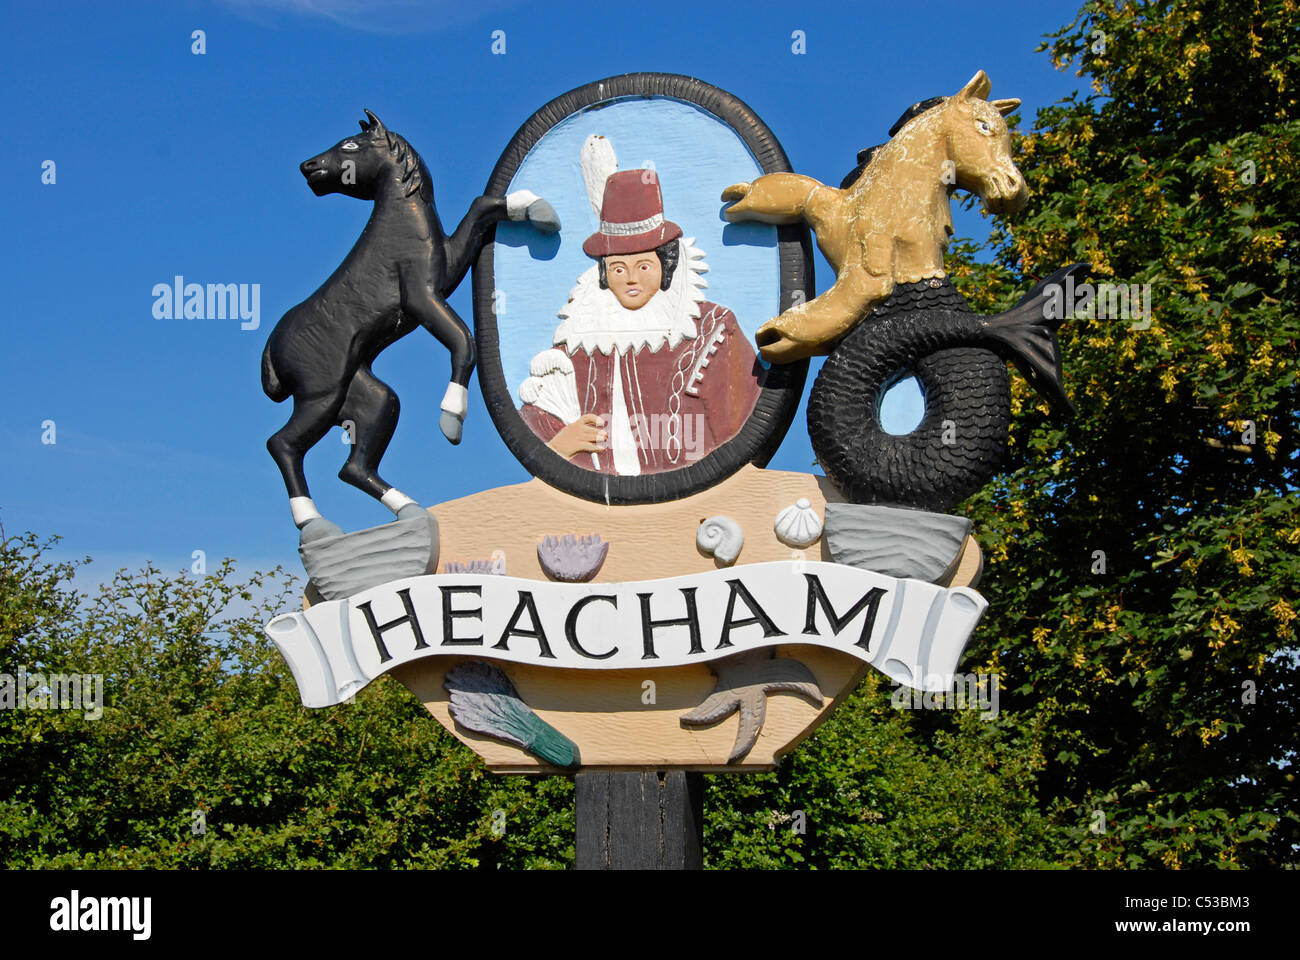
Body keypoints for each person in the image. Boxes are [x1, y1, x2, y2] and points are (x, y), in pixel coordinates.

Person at [519, 155, 761, 476]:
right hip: (595, 511)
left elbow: (746, 425)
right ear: (603, 275)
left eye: (643, 266)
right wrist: (561, 445)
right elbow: (535, 423)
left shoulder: (712, 330)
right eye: (618, 268)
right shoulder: (581, 344)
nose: (631, 279)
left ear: (667, 266)